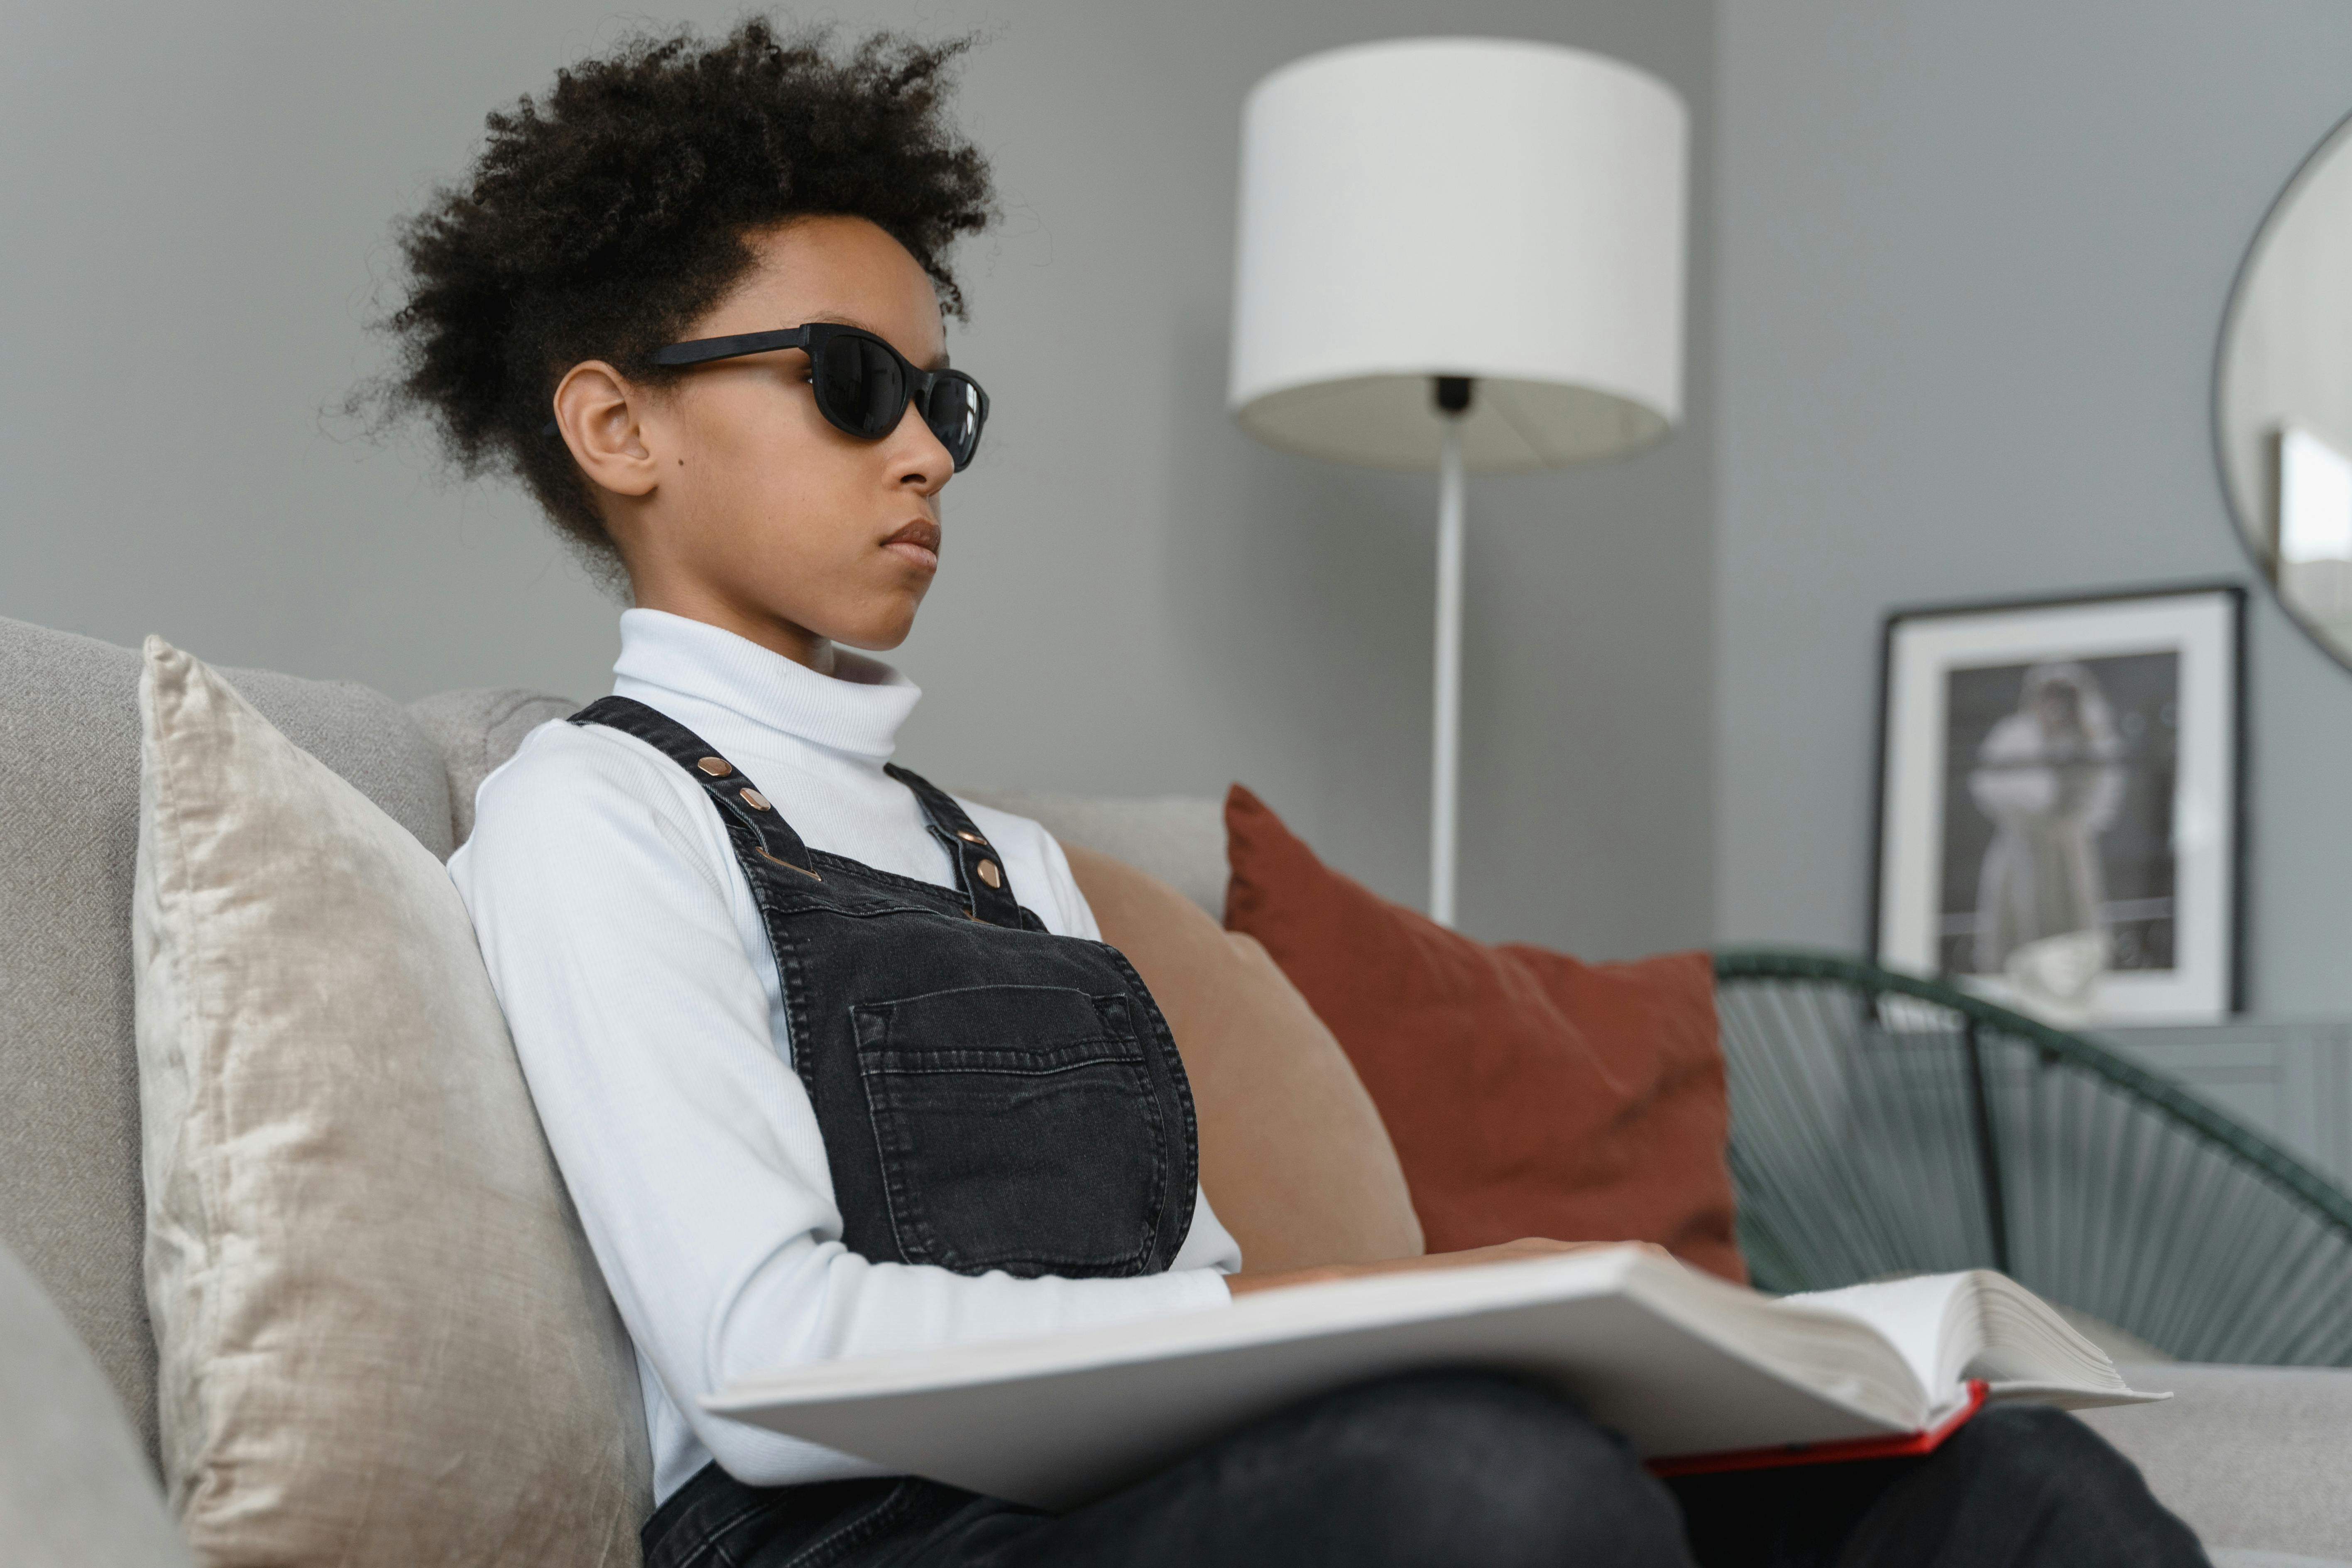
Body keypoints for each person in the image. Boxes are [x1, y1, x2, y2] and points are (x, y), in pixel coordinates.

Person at [398, 20, 2209, 1566]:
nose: (928, 451)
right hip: (857, 1535)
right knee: (1488, 1486)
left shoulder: (1005, 860)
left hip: (1161, 1493)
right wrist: (1321, 1308)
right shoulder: (596, 817)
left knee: (2009, 1486)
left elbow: (1176, 1288)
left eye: (945, 398)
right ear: (618, 427)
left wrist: (1413, 1325)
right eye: (854, 387)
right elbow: (761, 1363)